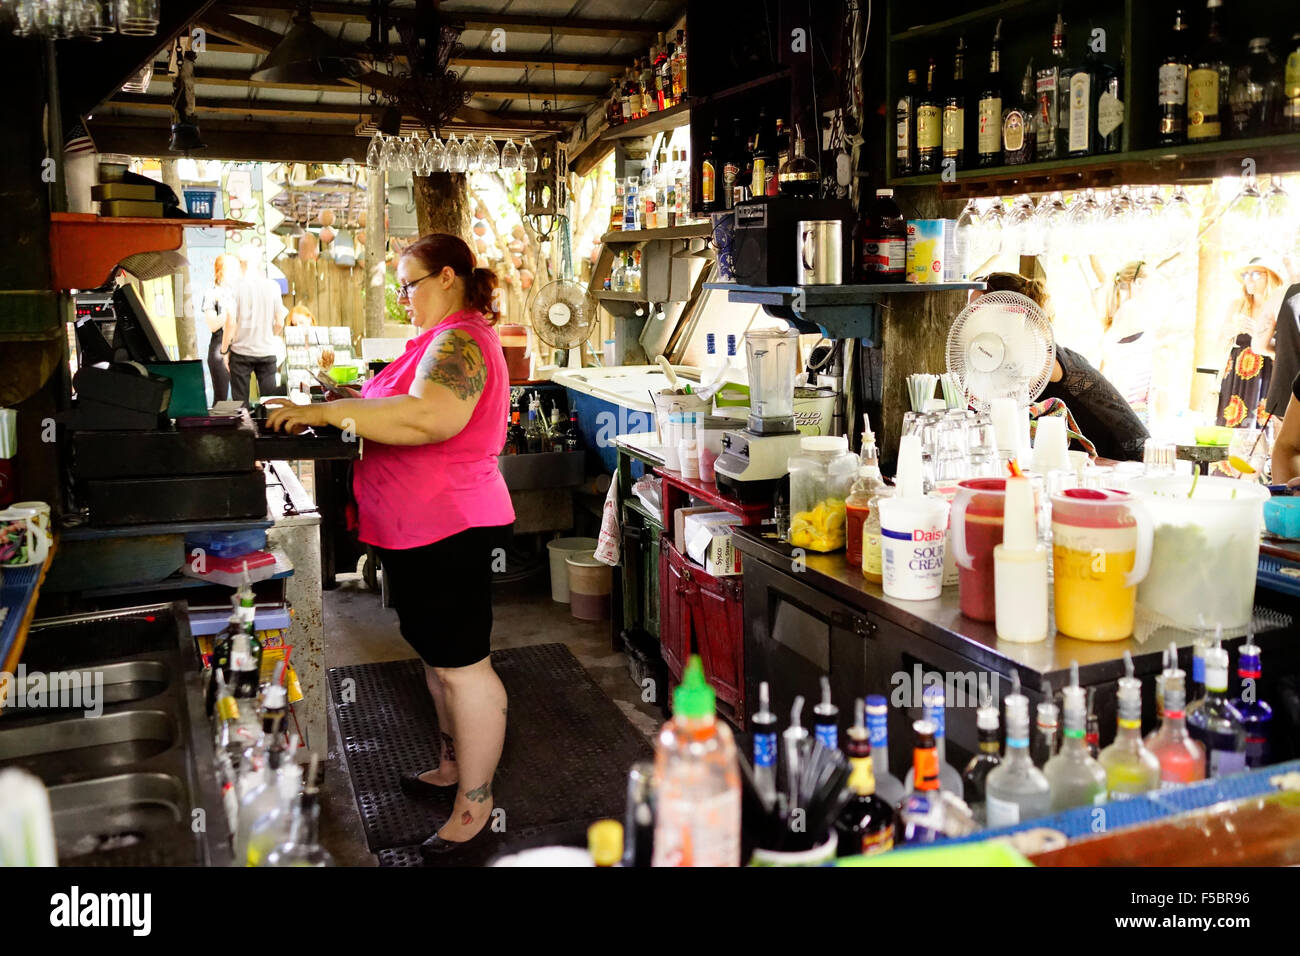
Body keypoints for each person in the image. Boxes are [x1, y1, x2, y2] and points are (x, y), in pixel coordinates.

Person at [266, 234, 513, 858]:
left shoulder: (461, 339)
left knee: (464, 667)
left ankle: (476, 804)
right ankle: (452, 765)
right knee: (438, 660)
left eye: (411, 283)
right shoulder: (432, 341)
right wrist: (337, 406)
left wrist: (327, 415)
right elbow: (393, 409)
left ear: (450, 277)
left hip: (450, 527)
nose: (403, 297)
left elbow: (430, 418)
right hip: (415, 528)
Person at [973, 272, 1150, 462]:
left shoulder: (1038, 357)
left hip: (1123, 459)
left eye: (976, 311)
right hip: (1088, 459)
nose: (969, 319)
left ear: (1008, 315)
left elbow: (1006, 396)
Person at [1215, 258, 1283, 430]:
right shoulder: (1237, 305)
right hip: (1235, 374)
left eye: (1254, 274)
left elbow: (1284, 348)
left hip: (1265, 374)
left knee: (1258, 427)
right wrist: (1231, 331)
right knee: (1230, 423)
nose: (1248, 279)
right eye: (1245, 275)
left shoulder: (1279, 307)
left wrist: (1258, 334)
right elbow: (1219, 342)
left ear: (1269, 277)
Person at [226, 248, 288, 405]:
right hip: (266, 351)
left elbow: (231, 321)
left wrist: (224, 349)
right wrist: (267, 334)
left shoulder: (235, 287)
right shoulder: (273, 286)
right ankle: (270, 428)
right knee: (270, 403)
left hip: (240, 351)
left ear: (242, 264)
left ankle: (244, 429)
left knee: (240, 405)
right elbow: (279, 322)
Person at [1098, 262, 1153, 424]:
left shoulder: (1129, 308)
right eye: (1152, 284)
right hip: (1130, 402)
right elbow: (1107, 346)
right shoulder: (1131, 309)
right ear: (1139, 283)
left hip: (1131, 401)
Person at [199, 253, 241, 403]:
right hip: (219, 346)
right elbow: (212, 325)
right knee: (221, 397)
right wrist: (227, 311)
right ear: (221, 271)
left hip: (239, 346)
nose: (237, 273)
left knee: (241, 396)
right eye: (233, 269)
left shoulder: (239, 291)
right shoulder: (212, 293)